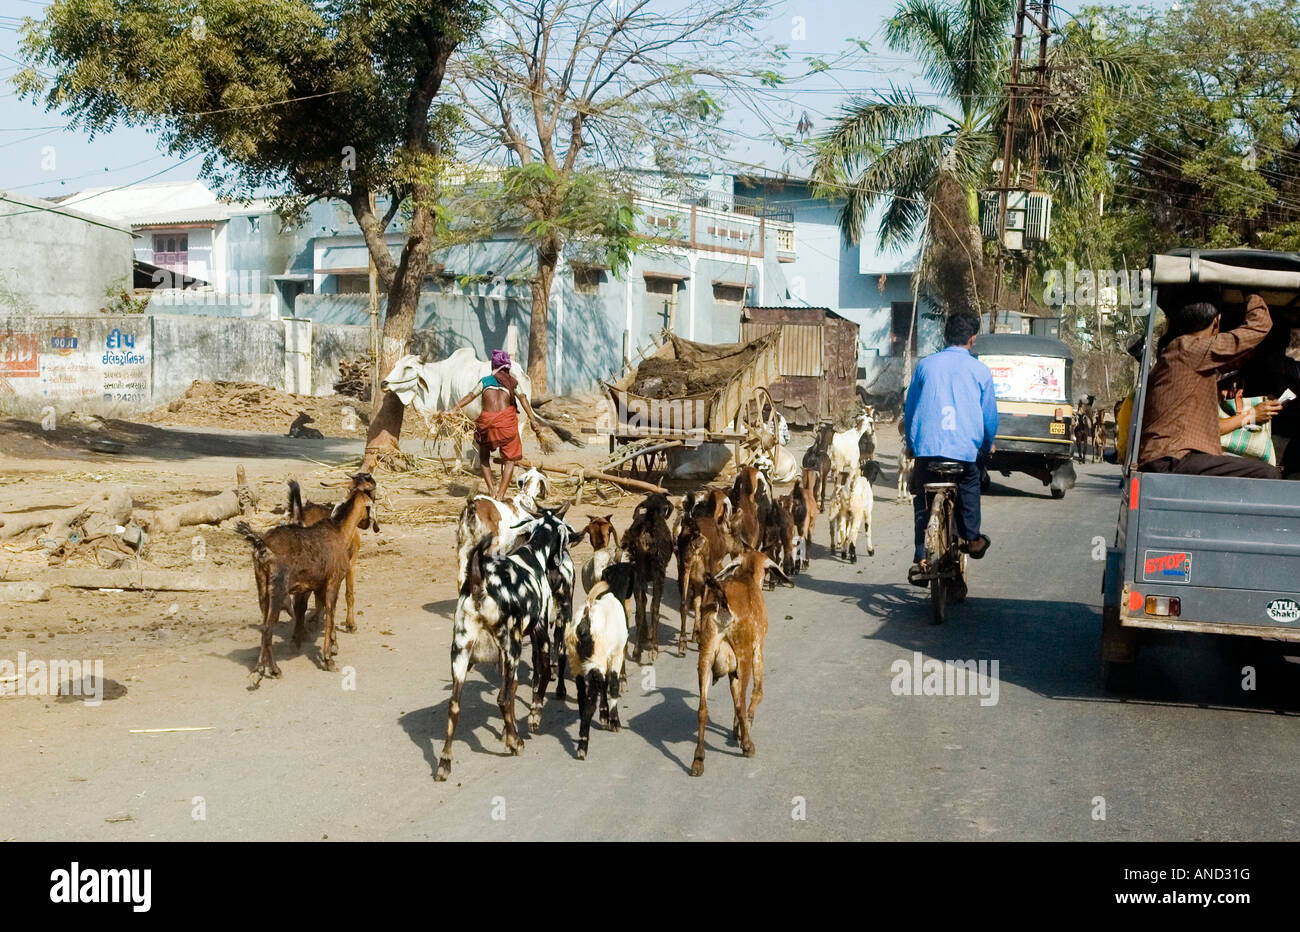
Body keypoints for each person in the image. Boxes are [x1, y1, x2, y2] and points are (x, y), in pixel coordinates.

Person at [902, 312, 999, 584]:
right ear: (972, 339)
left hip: (927, 452)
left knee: (921, 496)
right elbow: (989, 416)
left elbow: (910, 411)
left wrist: (911, 444)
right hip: (964, 453)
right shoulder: (981, 370)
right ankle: (972, 538)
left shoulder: (925, 366)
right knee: (970, 483)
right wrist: (988, 443)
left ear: (945, 336)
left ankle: (921, 556)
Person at [1137, 294, 1279, 478]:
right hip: (1172, 458)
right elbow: (1259, 326)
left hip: (1167, 456)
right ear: (1216, 321)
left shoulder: (1178, 352)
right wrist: (1251, 291)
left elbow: (1225, 364)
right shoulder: (1190, 349)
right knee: (1268, 473)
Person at [450, 350, 543, 500]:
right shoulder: (513, 382)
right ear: (507, 367)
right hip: (507, 426)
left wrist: (453, 409)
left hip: (487, 426)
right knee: (510, 461)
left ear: (493, 365)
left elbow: (470, 396)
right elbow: (523, 398)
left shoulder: (485, 381)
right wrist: (533, 419)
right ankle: (500, 495)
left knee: (484, 457)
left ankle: (491, 490)